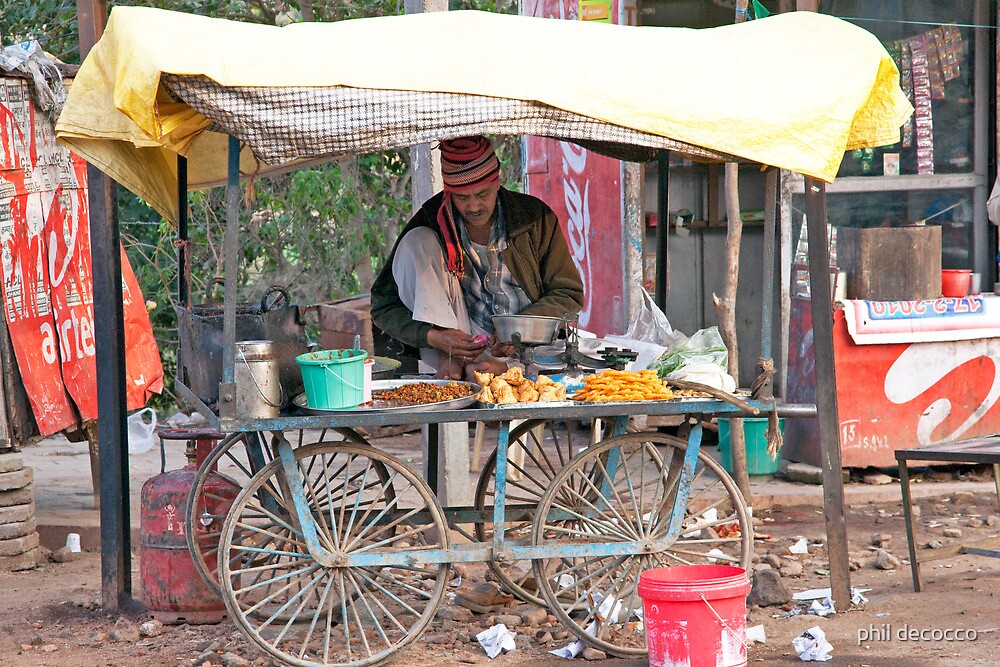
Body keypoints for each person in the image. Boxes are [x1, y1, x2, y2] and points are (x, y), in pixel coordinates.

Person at [371, 135, 584, 380]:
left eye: (482, 194)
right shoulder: (432, 218)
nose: (473, 206)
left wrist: (518, 330)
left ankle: (505, 370)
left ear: (497, 182)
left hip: (527, 346)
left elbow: (568, 293)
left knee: (561, 368)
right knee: (416, 240)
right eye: (462, 197)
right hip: (461, 342)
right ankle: (451, 360)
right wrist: (437, 338)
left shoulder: (534, 217)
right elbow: (383, 305)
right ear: (449, 192)